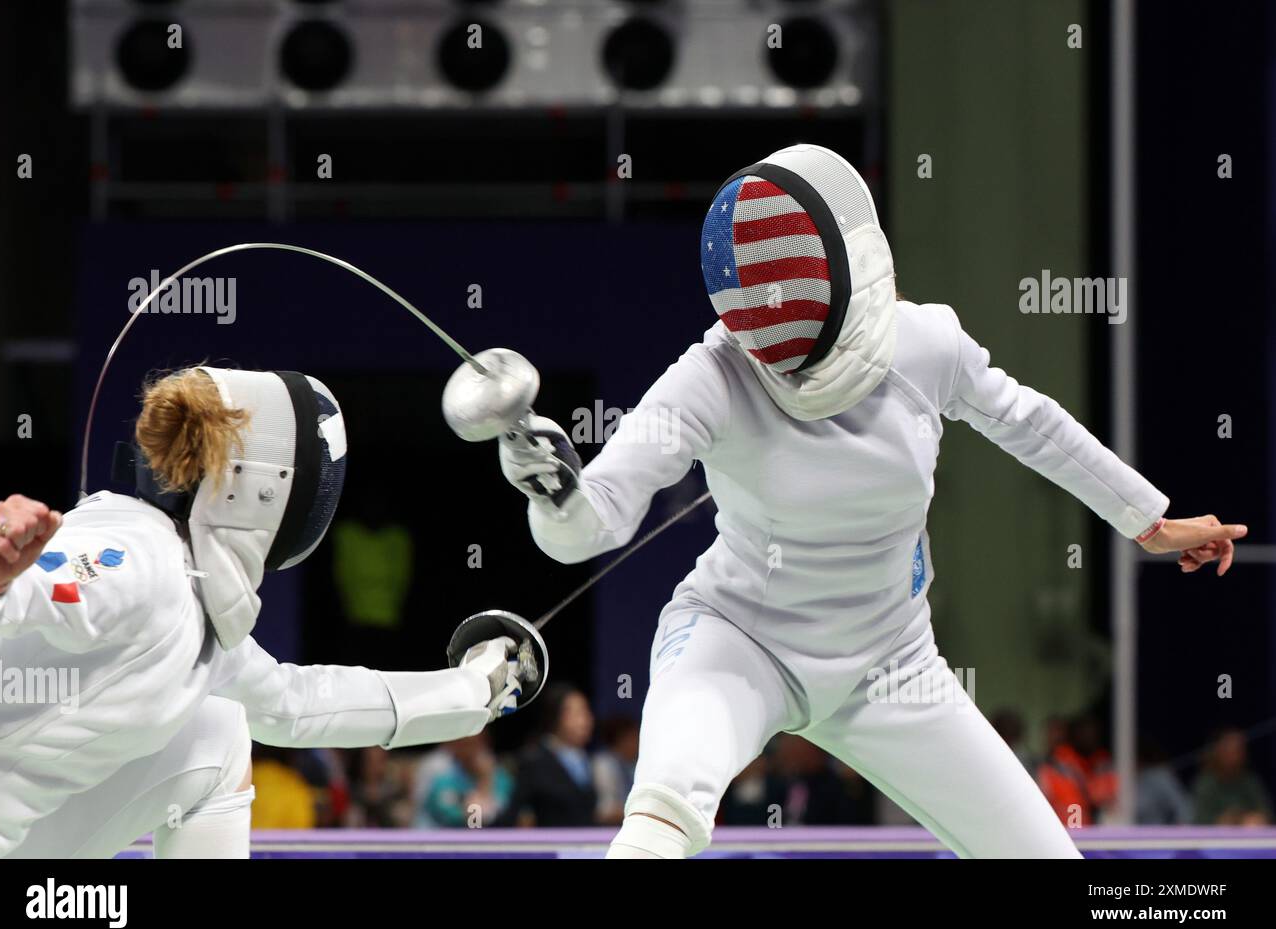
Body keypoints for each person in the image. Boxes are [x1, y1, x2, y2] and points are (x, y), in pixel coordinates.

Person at [495, 144, 1247, 858]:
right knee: (661, 819)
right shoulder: (710, 377)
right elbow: (590, 525)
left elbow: (1029, 422)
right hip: (739, 642)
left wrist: (1146, 518)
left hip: (892, 660)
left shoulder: (924, 344)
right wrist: (555, 493)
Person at [0, 365, 531, 858]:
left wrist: (477, 689)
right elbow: (53, 585)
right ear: (258, 488)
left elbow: (296, 703)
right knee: (217, 732)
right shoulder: (137, 560)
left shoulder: (193, 597)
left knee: (218, 732)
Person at [505, 684, 597, 827]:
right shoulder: (533, 761)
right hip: (550, 846)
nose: (585, 721)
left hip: (585, 847)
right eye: (577, 713)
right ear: (555, 716)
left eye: (586, 712)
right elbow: (514, 815)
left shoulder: (586, 760)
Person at [1192, 729, 1272, 826]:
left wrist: (1247, 818)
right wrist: (1223, 820)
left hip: (1247, 831)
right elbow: (1198, 819)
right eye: (1229, 750)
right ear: (1218, 751)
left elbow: (1266, 812)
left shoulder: (1249, 781)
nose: (1235, 756)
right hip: (1216, 835)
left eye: (1238, 750)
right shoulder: (1206, 783)